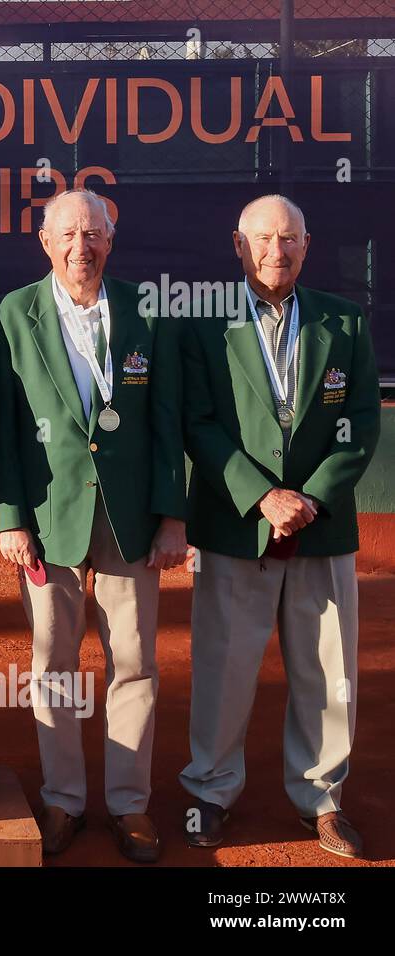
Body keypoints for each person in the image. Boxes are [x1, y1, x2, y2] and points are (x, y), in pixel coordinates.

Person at [0, 189, 187, 862]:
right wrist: (10, 518)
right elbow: (3, 430)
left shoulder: (143, 313)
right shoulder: (15, 313)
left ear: (110, 240)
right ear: (45, 243)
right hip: (45, 521)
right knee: (54, 668)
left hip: (131, 520)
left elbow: (166, 424)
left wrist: (172, 517)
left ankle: (130, 806)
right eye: (68, 234)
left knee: (134, 664)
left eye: (94, 233)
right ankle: (64, 800)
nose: (82, 246)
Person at [179, 195, 380, 859]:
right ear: (239, 245)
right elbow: (198, 425)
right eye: (263, 238)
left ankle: (322, 799)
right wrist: (263, 497)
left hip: (322, 530)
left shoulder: (344, 321)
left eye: (289, 238)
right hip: (237, 526)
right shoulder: (202, 324)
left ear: (307, 244)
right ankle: (209, 792)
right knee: (224, 667)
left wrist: (311, 499)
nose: (276, 250)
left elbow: (360, 426)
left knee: (329, 671)